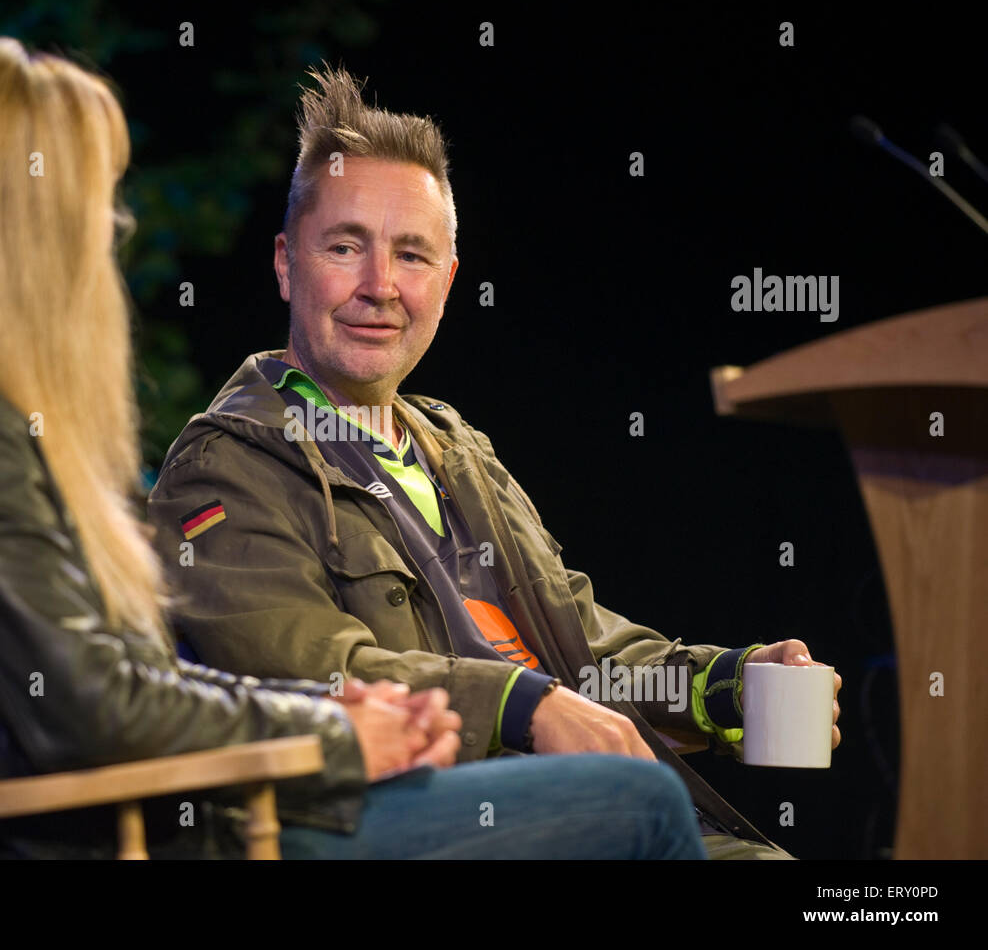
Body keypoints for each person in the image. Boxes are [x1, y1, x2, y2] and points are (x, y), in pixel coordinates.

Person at [0, 37, 707, 860]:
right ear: (13, 223)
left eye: (412, 256)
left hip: (222, 811)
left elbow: (123, 687)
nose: (112, 230)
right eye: (93, 203)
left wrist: (727, 686)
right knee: (641, 804)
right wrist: (337, 729)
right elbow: (93, 710)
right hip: (209, 832)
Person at [147, 64, 844, 860]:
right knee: (659, 809)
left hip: (568, 815)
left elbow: (584, 650)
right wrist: (524, 703)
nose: (380, 286)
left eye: (412, 256)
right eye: (345, 246)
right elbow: (319, 677)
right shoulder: (226, 465)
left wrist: (726, 686)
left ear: (447, 282)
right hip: (410, 827)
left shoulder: (458, 449)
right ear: (285, 263)